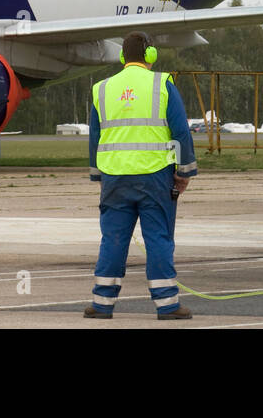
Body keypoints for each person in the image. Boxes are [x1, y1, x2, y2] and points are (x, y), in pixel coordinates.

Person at [84, 30, 198, 321]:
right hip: (154, 175)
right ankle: (168, 306)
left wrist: (98, 176)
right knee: (158, 238)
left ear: (122, 57)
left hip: (114, 177)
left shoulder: (102, 88)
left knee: (113, 239)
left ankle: (101, 304)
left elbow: (95, 137)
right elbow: (181, 132)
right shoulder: (162, 83)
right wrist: (184, 172)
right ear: (150, 55)